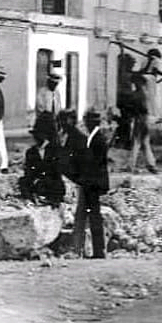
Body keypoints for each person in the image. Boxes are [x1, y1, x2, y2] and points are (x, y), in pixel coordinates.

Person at [71, 109, 110, 259]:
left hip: (92, 183)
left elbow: (95, 164)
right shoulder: (93, 137)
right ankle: (95, 249)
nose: (85, 123)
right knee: (92, 215)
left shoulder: (98, 139)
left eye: (87, 120)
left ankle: (98, 251)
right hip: (91, 182)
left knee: (94, 216)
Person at [19, 114, 65, 206]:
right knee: (23, 181)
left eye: (39, 134)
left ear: (46, 135)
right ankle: (31, 199)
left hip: (51, 186)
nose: (36, 138)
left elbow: (56, 173)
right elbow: (28, 174)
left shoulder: (55, 150)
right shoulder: (31, 152)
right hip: (36, 185)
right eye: (35, 134)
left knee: (54, 184)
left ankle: (48, 199)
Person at [128, 73, 157, 173]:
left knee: (137, 142)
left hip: (140, 119)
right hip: (143, 118)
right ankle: (151, 164)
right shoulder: (144, 93)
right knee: (144, 142)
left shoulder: (137, 94)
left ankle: (132, 165)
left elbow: (141, 108)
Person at [141, 49, 162, 122]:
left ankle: (147, 113)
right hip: (151, 78)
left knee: (145, 96)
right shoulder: (156, 60)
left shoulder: (145, 59)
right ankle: (153, 114)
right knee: (152, 96)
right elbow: (155, 70)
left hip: (143, 77)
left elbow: (142, 70)